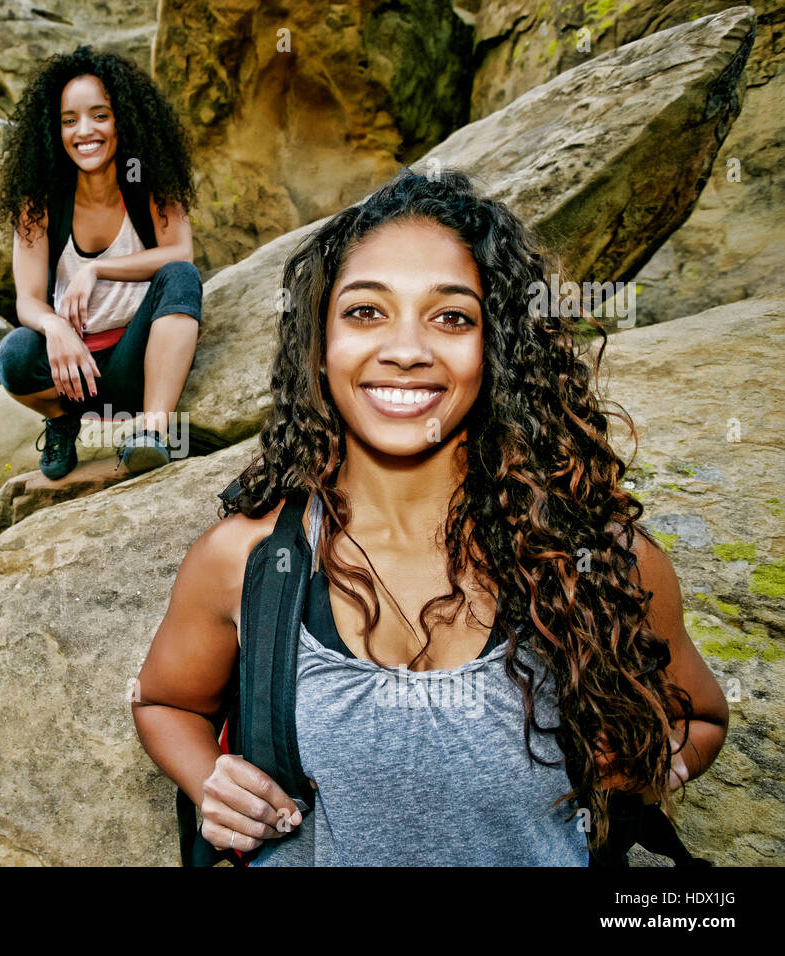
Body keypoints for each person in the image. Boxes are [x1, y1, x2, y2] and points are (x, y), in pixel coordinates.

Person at [130, 171, 729, 865]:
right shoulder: (245, 560)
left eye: (451, 317)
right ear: (318, 348)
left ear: (496, 348)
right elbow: (163, 703)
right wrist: (210, 781)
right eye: (365, 312)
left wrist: (647, 767)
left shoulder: (602, 558)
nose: (408, 349)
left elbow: (700, 717)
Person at [0, 45, 202, 480]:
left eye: (99, 115)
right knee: (13, 355)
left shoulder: (149, 180)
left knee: (180, 278)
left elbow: (181, 253)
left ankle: (152, 432)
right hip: (73, 374)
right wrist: (54, 327)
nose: (84, 131)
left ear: (123, 118)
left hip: (138, 362)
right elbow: (28, 300)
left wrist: (96, 269)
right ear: (55, 130)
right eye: (70, 120)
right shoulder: (41, 202)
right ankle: (62, 420)